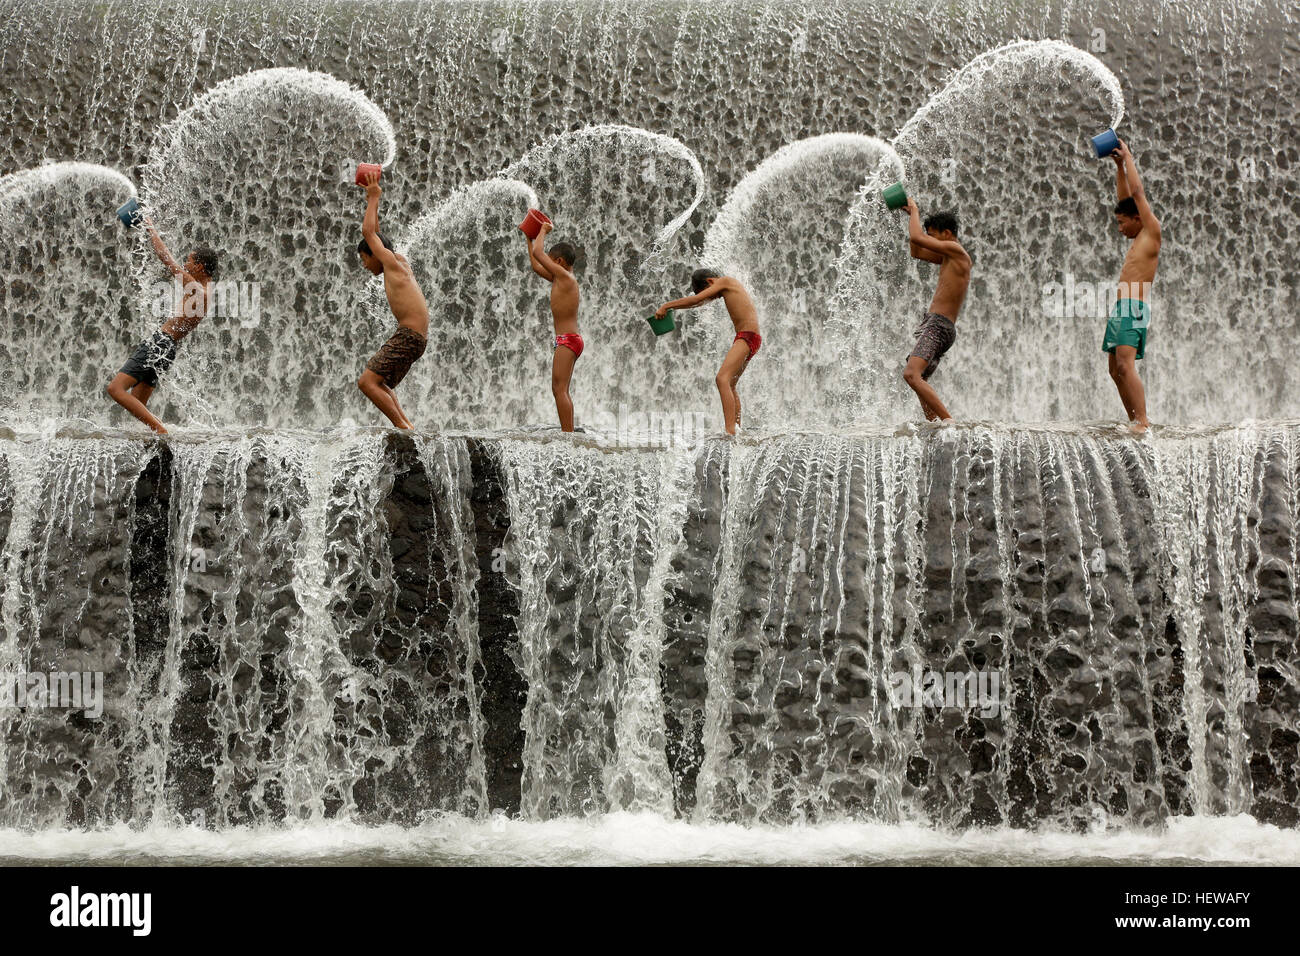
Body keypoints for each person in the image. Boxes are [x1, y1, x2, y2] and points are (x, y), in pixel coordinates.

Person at [106, 217, 219, 435]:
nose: (185, 265)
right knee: (138, 405)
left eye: (189, 261)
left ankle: (161, 430)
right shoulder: (209, 290)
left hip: (160, 342)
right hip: (169, 349)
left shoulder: (197, 289)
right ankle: (157, 432)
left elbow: (166, 259)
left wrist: (149, 226)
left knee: (115, 388)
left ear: (199, 266)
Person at [356, 168, 429, 430]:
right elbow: (374, 232)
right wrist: (370, 203)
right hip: (416, 338)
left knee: (366, 382)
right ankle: (407, 426)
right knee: (381, 383)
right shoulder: (398, 262)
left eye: (364, 258)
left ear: (376, 253)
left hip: (409, 335)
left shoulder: (391, 263)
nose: (365, 266)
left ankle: (402, 427)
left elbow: (368, 233)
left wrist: (374, 195)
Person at [654, 269, 760, 436]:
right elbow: (697, 303)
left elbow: (697, 298)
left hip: (746, 336)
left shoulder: (725, 280)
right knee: (730, 384)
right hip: (752, 337)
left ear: (710, 282)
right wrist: (674, 310)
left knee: (721, 379)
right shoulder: (728, 286)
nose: (714, 298)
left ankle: (730, 431)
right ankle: (737, 428)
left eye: (712, 295)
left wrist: (666, 306)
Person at [1103, 138, 1161, 434]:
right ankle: (1134, 419)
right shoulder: (1138, 235)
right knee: (1115, 370)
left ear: (1138, 219)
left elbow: (1137, 194)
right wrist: (1118, 168)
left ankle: (1143, 421)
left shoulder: (1151, 231)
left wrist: (1128, 158)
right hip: (1121, 307)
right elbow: (1126, 197)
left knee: (1126, 366)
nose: (1119, 227)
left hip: (1134, 308)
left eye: (1122, 223)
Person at [898, 200, 971, 422]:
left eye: (933, 235)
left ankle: (949, 423)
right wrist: (909, 218)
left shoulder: (956, 250)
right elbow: (916, 250)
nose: (929, 239)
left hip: (938, 326)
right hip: (937, 325)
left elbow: (918, 238)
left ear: (947, 233)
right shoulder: (949, 257)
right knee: (919, 380)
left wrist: (915, 211)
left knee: (911, 374)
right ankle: (935, 425)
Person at [524, 220, 581, 432]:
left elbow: (540, 254)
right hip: (568, 340)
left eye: (550, 260)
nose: (547, 263)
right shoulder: (562, 278)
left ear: (558, 261)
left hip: (568, 340)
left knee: (559, 389)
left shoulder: (565, 277)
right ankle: (568, 431)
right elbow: (536, 263)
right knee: (560, 388)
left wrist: (543, 230)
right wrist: (529, 239)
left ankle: (568, 435)